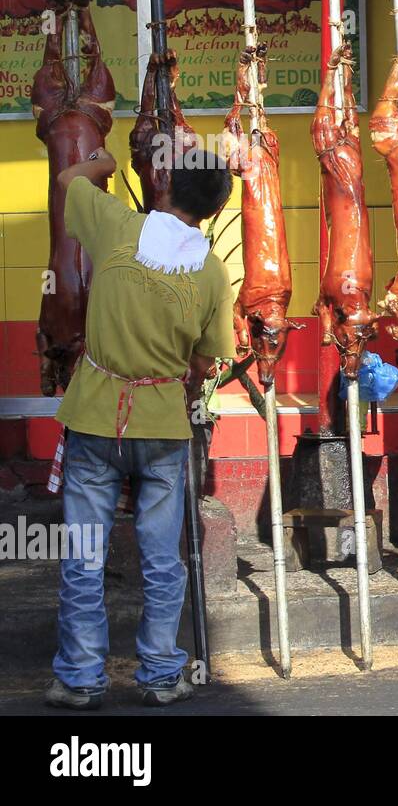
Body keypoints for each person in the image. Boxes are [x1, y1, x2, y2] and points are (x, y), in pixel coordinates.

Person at [45, 148, 234, 710]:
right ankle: (158, 675)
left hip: (94, 423)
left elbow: (67, 178)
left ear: (164, 183)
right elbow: (208, 362)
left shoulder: (116, 226)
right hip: (162, 428)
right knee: (161, 560)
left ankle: (79, 680)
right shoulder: (212, 270)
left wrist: (101, 163)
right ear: (215, 208)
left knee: (83, 557)